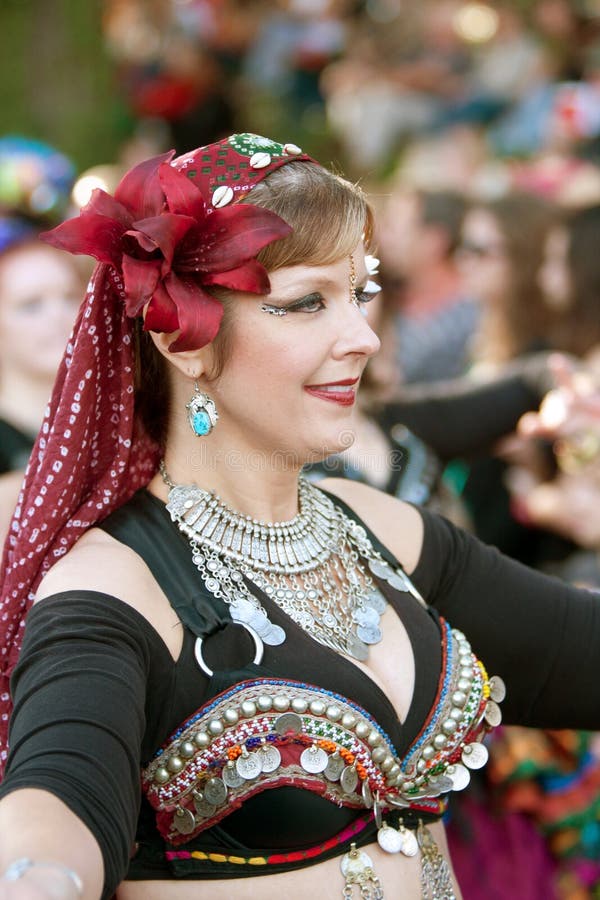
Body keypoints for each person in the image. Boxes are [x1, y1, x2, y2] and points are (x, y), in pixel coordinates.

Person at [0, 133, 599, 900]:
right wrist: (38, 876)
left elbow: (577, 651)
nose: (363, 339)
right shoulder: (117, 589)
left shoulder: (374, 525)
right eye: (307, 302)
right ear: (180, 340)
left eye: (361, 293)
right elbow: (56, 798)